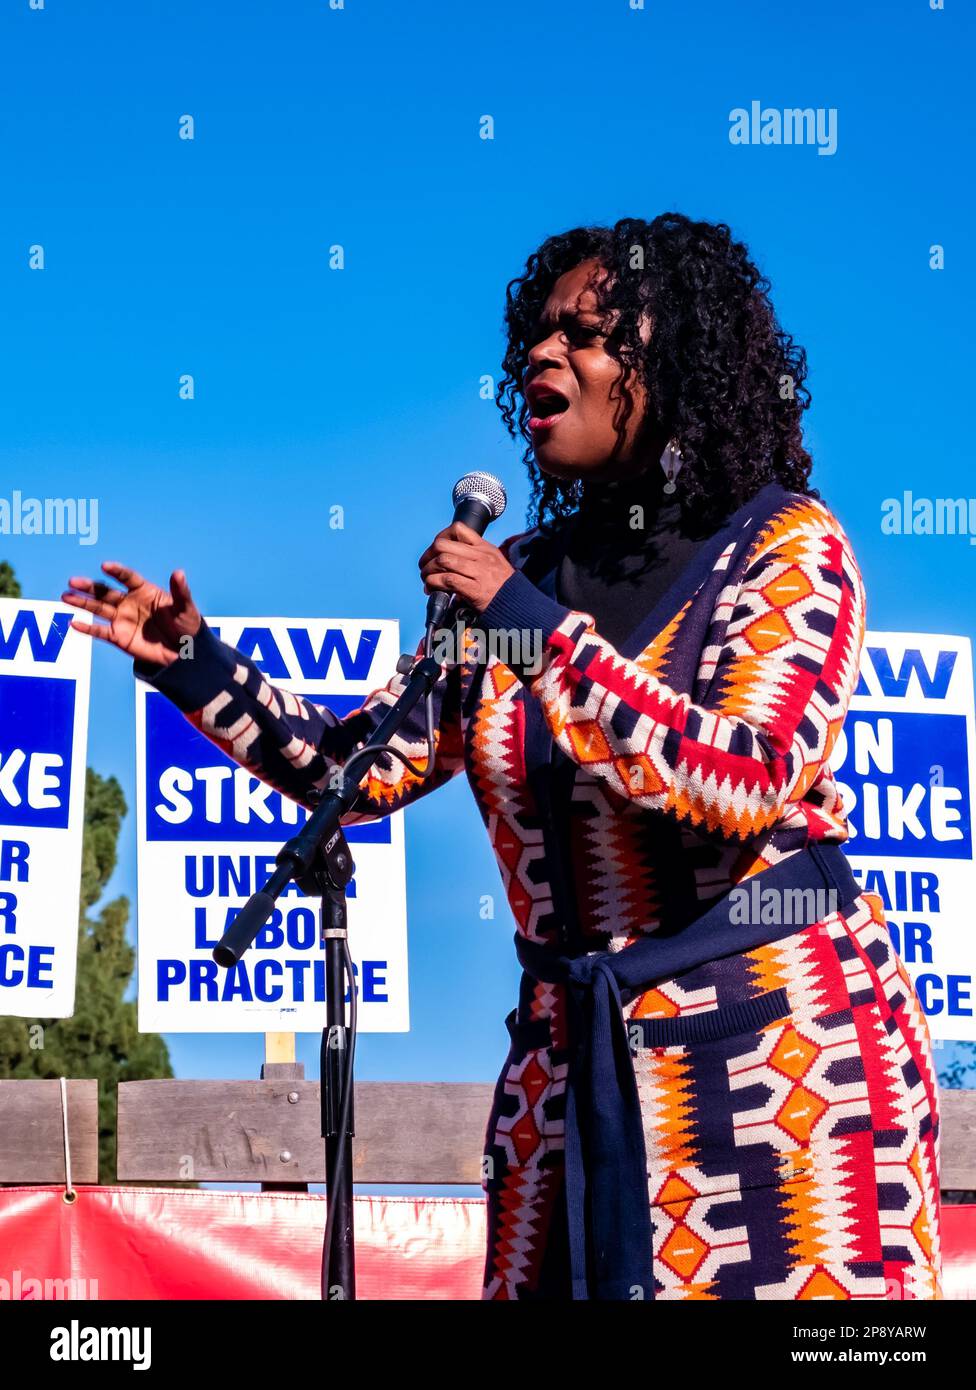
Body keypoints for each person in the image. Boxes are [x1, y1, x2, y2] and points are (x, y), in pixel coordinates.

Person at [62, 213, 942, 1301]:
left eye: (584, 332)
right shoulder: (516, 575)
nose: (540, 353)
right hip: (568, 1074)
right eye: (534, 333)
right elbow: (361, 765)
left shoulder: (783, 545)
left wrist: (522, 621)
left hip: (778, 1074)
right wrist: (193, 664)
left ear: (668, 363)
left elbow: (739, 773)